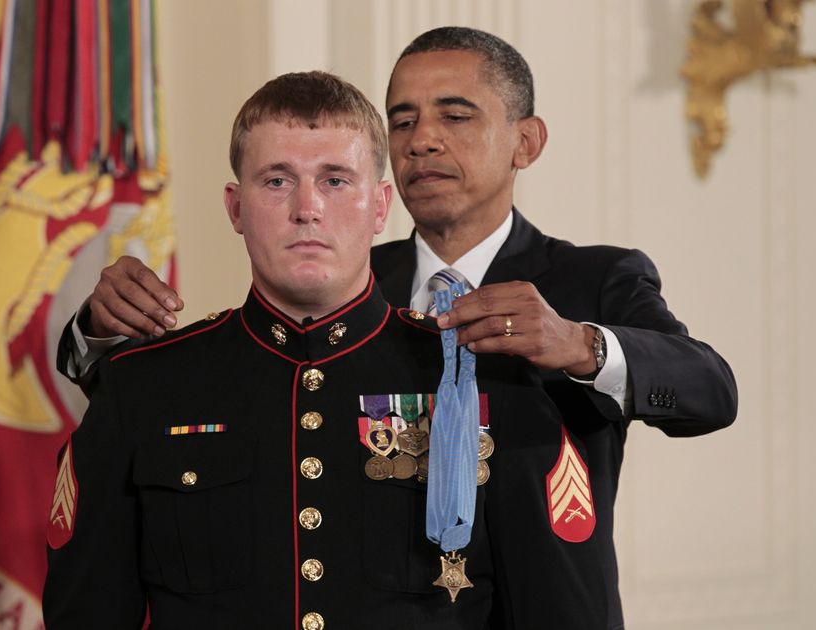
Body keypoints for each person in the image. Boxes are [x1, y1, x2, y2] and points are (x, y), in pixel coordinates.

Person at [55, 27, 738, 629]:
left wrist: (579, 344)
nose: (423, 140)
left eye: (456, 115)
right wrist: (100, 330)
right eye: (403, 121)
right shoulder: (337, 269)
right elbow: (191, 391)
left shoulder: (589, 283)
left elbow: (708, 389)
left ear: (525, 142)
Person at [43, 70, 568, 629]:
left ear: (380, 206)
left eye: (336, 180)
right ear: (236, 208)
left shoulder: (484, 375)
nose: (307, 208)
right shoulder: (142, 387)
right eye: (276, 181)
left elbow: (554, 611)